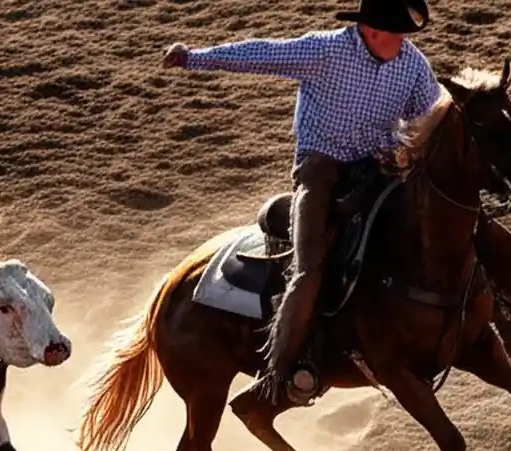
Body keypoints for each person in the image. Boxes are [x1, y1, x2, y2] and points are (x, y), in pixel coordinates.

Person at [162, 0, 440, 406]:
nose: (403, 41)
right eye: (396, 32)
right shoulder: (325, 50)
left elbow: (431, 116)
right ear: (370, 29)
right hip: (321, 172)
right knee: (309, 269)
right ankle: (283, 370)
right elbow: (261, 55)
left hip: (381, 174)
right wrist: (193, 58)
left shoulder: (413, 65)